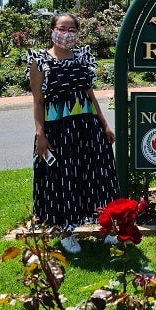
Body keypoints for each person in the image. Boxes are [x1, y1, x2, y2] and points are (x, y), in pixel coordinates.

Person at [27, 13, 119, 253]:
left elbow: (90, 93)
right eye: (61, 28)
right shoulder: (40, 62)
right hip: (58, 130)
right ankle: (66, 232)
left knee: (97, 175)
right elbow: (37, 101)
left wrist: (104, 123)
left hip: (88, 128)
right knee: (62, 178)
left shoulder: (83, 58)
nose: (66, 34)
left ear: (77, 33)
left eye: (71, 29)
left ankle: (108, 228)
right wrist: (40, 135)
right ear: (51, 30)